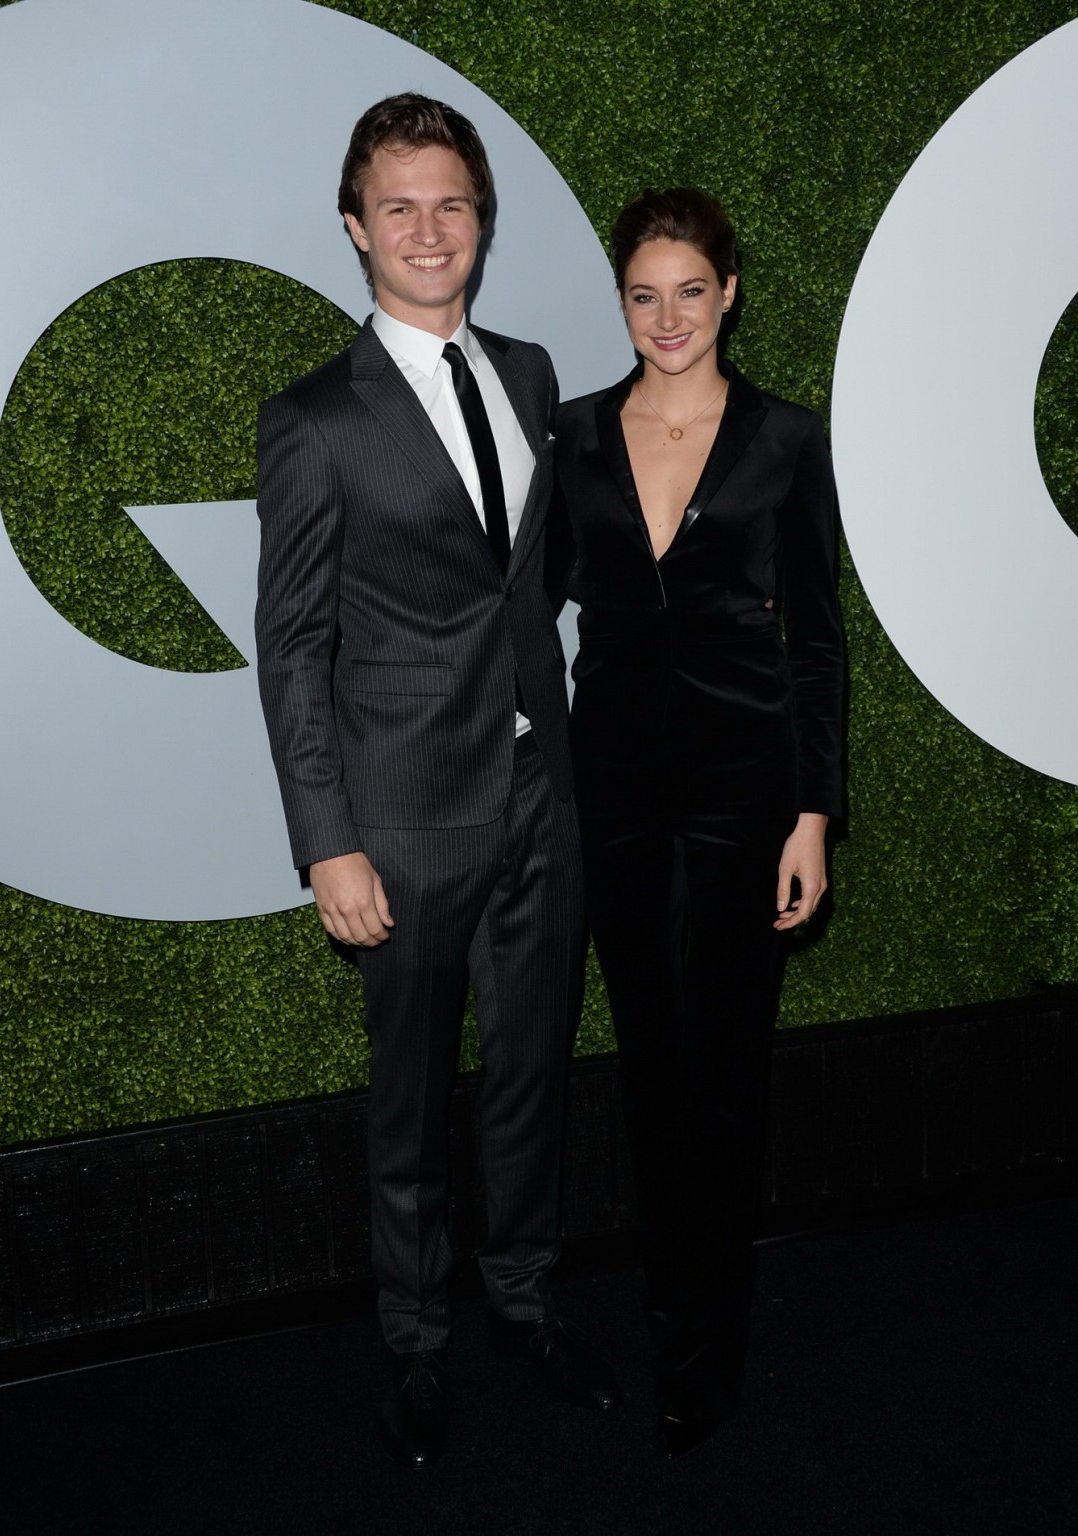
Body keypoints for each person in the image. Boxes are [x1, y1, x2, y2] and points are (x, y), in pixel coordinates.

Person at [254, 93, 618, 1469]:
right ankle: (415, 1345)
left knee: (530, 1074)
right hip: (400, 819)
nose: (428, 228)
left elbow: (528, 584)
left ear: (483, 221)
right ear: (355, 229)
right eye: (399, 206)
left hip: (545, 799)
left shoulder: (528, 375)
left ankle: (524, 1302)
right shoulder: (313, 421)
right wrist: (325, 841)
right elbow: (291, 645)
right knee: (410, 1104)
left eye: (452, 202)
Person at [552, 188, 844, 1457]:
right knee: (651, 1066)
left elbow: (818, 644)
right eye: (641, 293)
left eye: (688, 291)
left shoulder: (786, 440)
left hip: (744, 794)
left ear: (728, 293)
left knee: (723, 1073)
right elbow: (518, 615)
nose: (665, 317)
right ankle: (672, 1300)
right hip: (609, 792)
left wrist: (814, 813)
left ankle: (703, 1343)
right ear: (620, 301)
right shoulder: (570, 439)